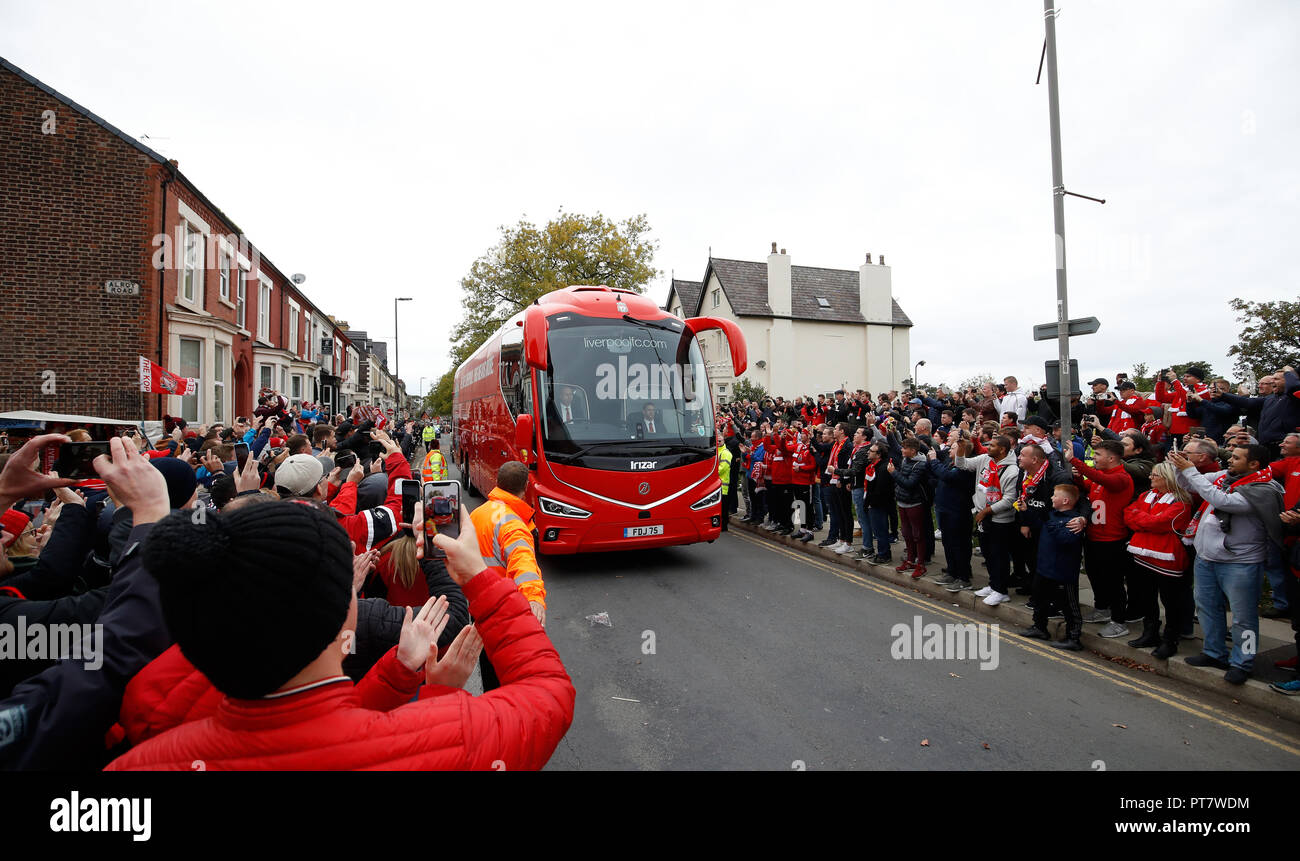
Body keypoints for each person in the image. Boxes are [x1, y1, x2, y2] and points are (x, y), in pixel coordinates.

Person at [104, 498, 573, 770]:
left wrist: (398, 673)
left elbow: (310, 732)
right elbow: (549, 693)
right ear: (341, 618)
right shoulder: (454, 737)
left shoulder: (139, 761)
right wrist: (475, 574)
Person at [1171, 443, 1284, 685]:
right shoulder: (1225, 476)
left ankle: (1243, 662)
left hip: (1241, 564)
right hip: (1207, 559)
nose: (1229, 460)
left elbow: (1222, 501)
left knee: (1244, 618)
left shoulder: (1264, 488)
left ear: (1254, 464)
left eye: (1236, 457)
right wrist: (1179, 466)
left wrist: (1189, 470)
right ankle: (1214, 653)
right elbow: (1189, 484)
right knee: (1207, 608)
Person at [470, 461, 546, 691]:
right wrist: (534, 600)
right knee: (509, 674)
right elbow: (523, 563)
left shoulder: (478, 514)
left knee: (488, 667)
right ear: (525, 487)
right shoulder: (513, 524)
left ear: (498, 483)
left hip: (479, 606)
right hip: (505, 611)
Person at [1122, 461, 1193, 658]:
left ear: (1169, 478)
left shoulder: (1181, 502)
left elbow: (1162, 523)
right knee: (1147, 596)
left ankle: (1170, 640)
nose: (1150, 478)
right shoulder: (1146, 495)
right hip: (1143, 553)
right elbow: (1128, 514)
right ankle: (1150, 632)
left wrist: (1142, 519)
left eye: (1156, 475)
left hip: (1167, 558)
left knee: (1171, 601)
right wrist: (1145, 520)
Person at [1070, 439, 1136, 638]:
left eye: (1097, 455)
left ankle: (1119, 620)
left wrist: (1075, 461)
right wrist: (1079, 479)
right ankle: (1102, 608)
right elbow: (1089, 485)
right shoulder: (1103, 476)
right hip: (1094, 536)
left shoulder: (1121, 477)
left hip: (1112, 539)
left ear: (1112, 457)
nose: (1094, 459)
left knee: (1113, 581)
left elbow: (1103, 481)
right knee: (1095, 575)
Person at [1017, 484, 1087, 650]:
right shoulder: (1052, 515)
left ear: (1065, 500)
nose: (1051, 498)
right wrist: (1026, 511)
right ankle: (1039, 627)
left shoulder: (1074, 521)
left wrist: (1050, 524)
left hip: (1064, 572)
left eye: (1054, 496)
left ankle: (1074, 638)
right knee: (1039, 600)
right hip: (1044, 568)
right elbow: (1038, 524)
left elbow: (1066, 539)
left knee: (1070, 606)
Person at [955, 434, 1020, 606]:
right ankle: (993, 585)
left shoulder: (1012, 471)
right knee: (988, 553)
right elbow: (962, 464)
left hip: (1000, 520)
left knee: (999, 555)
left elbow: (1009, 500)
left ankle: (1001, 591)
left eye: (992, 446)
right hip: (982, 516)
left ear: (1002, 449)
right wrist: (961, 449)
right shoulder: (985, 459)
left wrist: (986, 512)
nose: (987, 448)